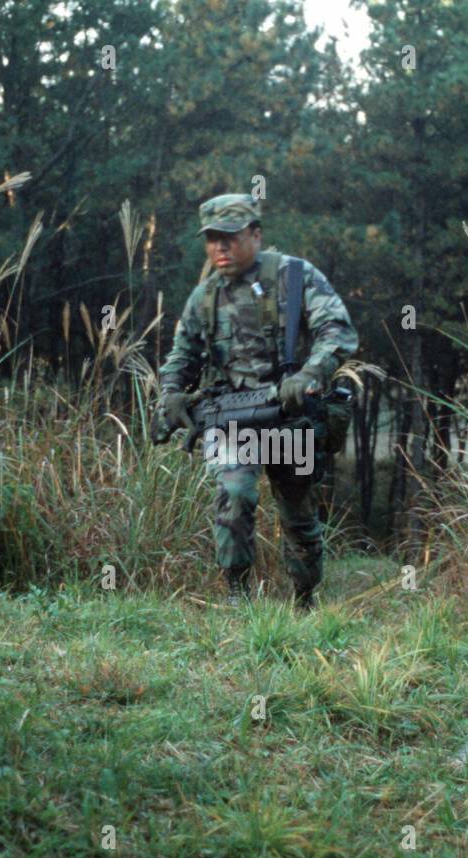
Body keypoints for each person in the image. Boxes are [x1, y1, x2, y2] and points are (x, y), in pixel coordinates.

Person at [157, 193, 358, 609]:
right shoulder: (205, 296)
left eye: (229, 238)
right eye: (212, 239)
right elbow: (182, 355)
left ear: (255, 234)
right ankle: (237, 596)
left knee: (298, 515)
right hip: (232, 417)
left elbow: (337, 330)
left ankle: (304, 600)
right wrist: (172, 394)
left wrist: (308, 374)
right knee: (235, 493)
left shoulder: (294, 276)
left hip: (287, 414)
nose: (220, 248)